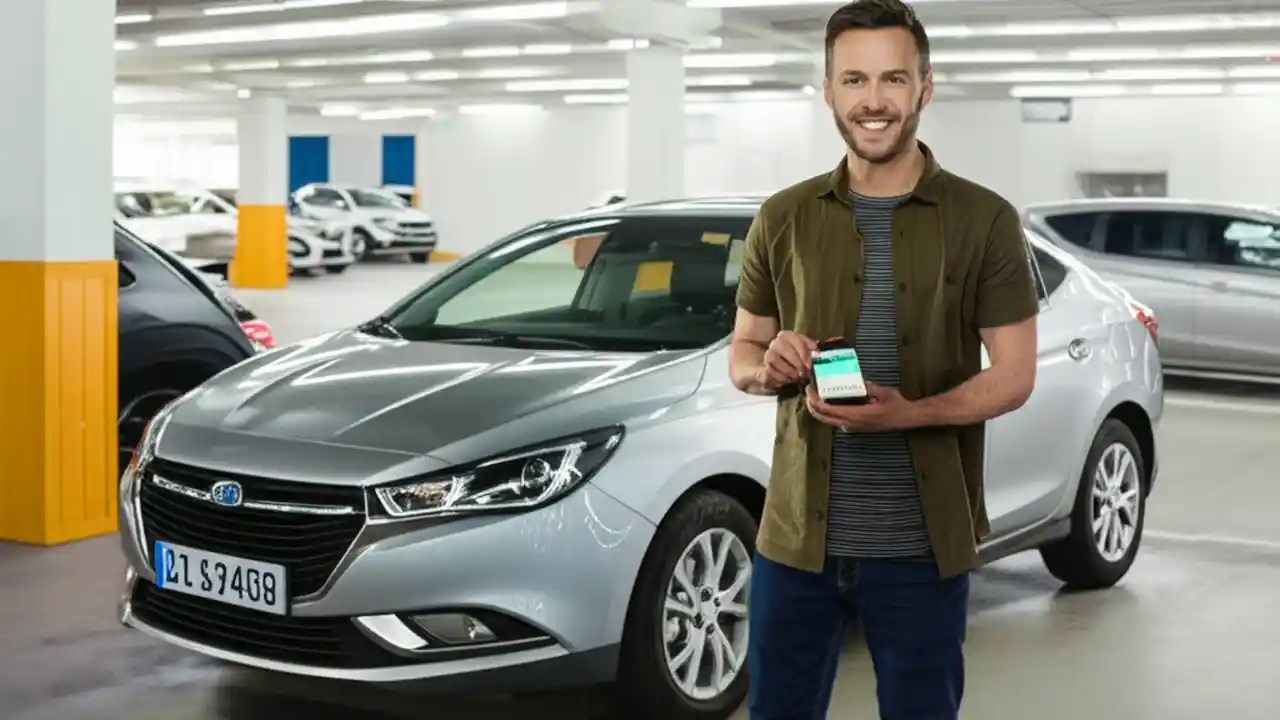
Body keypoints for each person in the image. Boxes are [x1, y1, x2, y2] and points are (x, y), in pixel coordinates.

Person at [727, 1, 1040, 718]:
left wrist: (911, 414)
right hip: (793, 545)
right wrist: (767, 363)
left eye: (894, 79)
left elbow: (1016, 375)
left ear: (925, 87)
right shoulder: (784, 216)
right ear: (828, 90)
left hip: (920, 550)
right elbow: (742, 354)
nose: (874, 101)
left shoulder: (984, 219)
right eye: (855, 80)